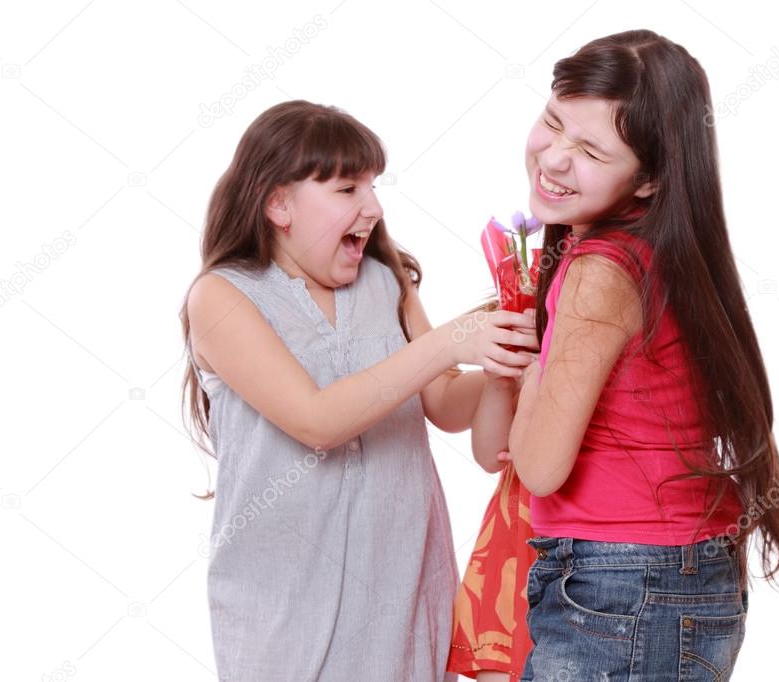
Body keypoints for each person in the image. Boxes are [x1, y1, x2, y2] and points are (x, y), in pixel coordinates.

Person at [484, 30, 779, 680]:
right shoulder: (662, 255)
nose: (553, 158)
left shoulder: (598, 273)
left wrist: (531, 363)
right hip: (672, 575)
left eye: (591, 150)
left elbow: (540, 468)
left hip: (620, 583)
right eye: (552, 122)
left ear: (650, 180)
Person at [179, 100, 539, 681]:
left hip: (401, 588)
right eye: (348, 189)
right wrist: (450, 342)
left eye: (372, 186)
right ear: (278, 204)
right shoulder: (222, 298)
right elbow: (316, 420)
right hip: (284, 609)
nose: (372, 206)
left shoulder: (384, 279)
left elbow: (444, 403)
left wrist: (498, 363)